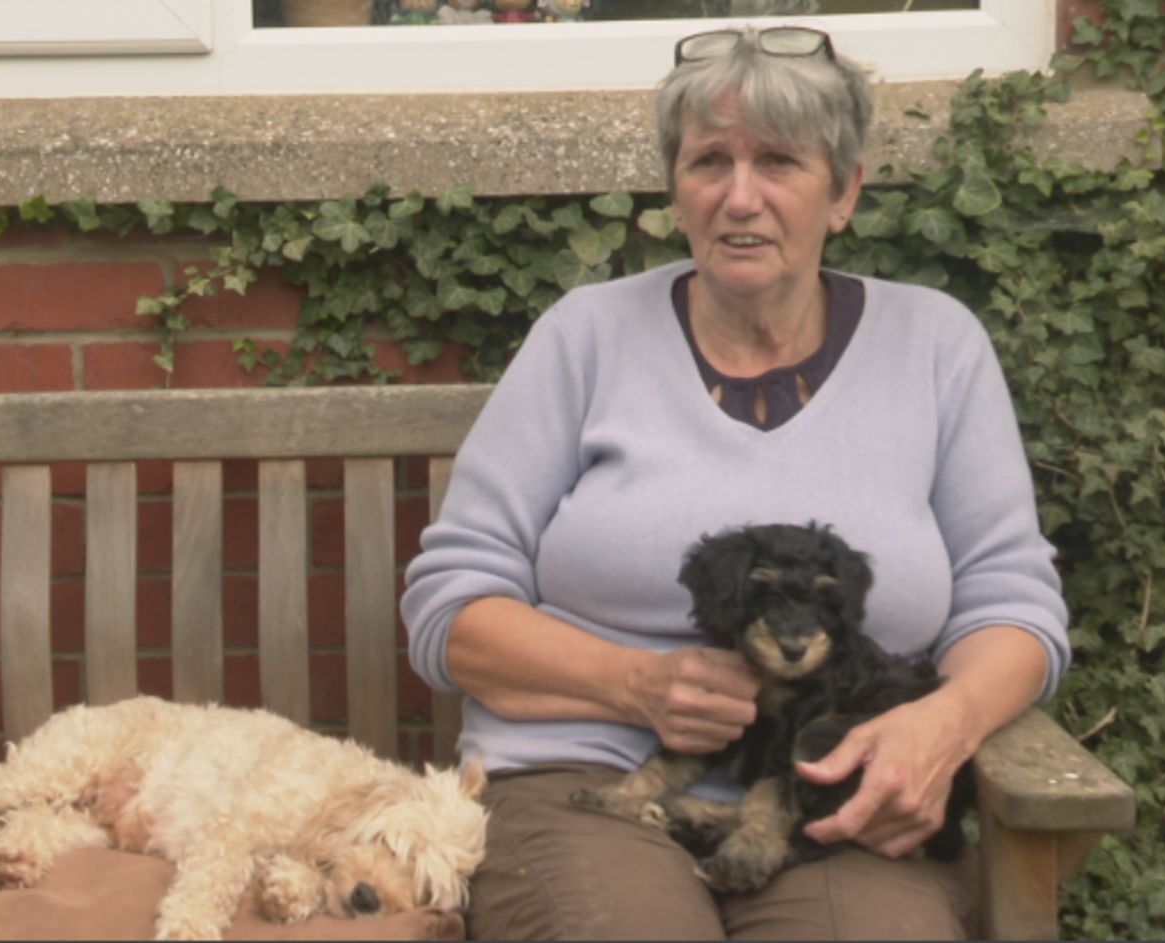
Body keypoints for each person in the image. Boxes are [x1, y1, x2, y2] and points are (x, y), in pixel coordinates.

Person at [401, 24, 1069, 941]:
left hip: (833, 793)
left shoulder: (937, 346)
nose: (739, 197)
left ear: (845, 190)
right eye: (709, 159)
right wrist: (632, 683)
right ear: (675, 188)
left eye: (781, 162)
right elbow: (452, 609)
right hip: (589, 781)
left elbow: (1012, 604)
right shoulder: (586, 336)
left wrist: (943, 726)